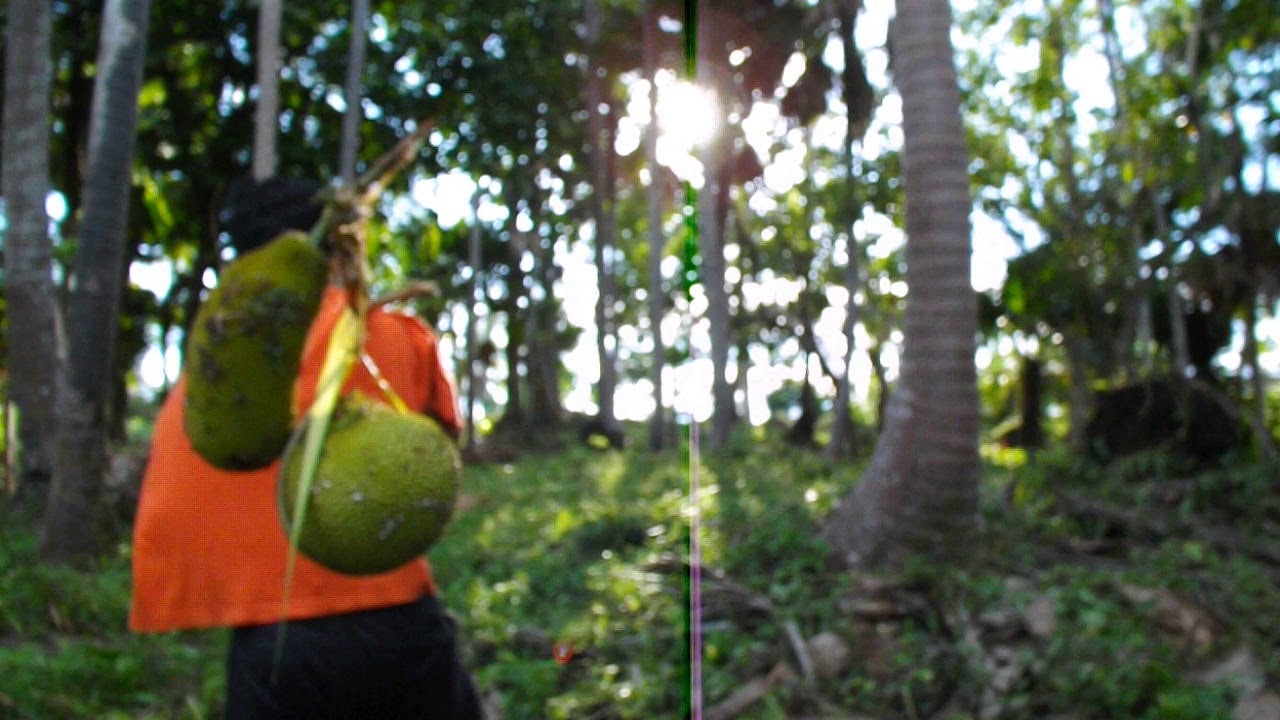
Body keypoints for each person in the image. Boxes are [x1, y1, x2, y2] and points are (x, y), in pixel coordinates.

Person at [129, 177, 484, 719]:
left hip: (268, 642)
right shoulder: (394, 334)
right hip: (392, 618)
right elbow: (441, 445)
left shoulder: (210, 376)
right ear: (343, 241)